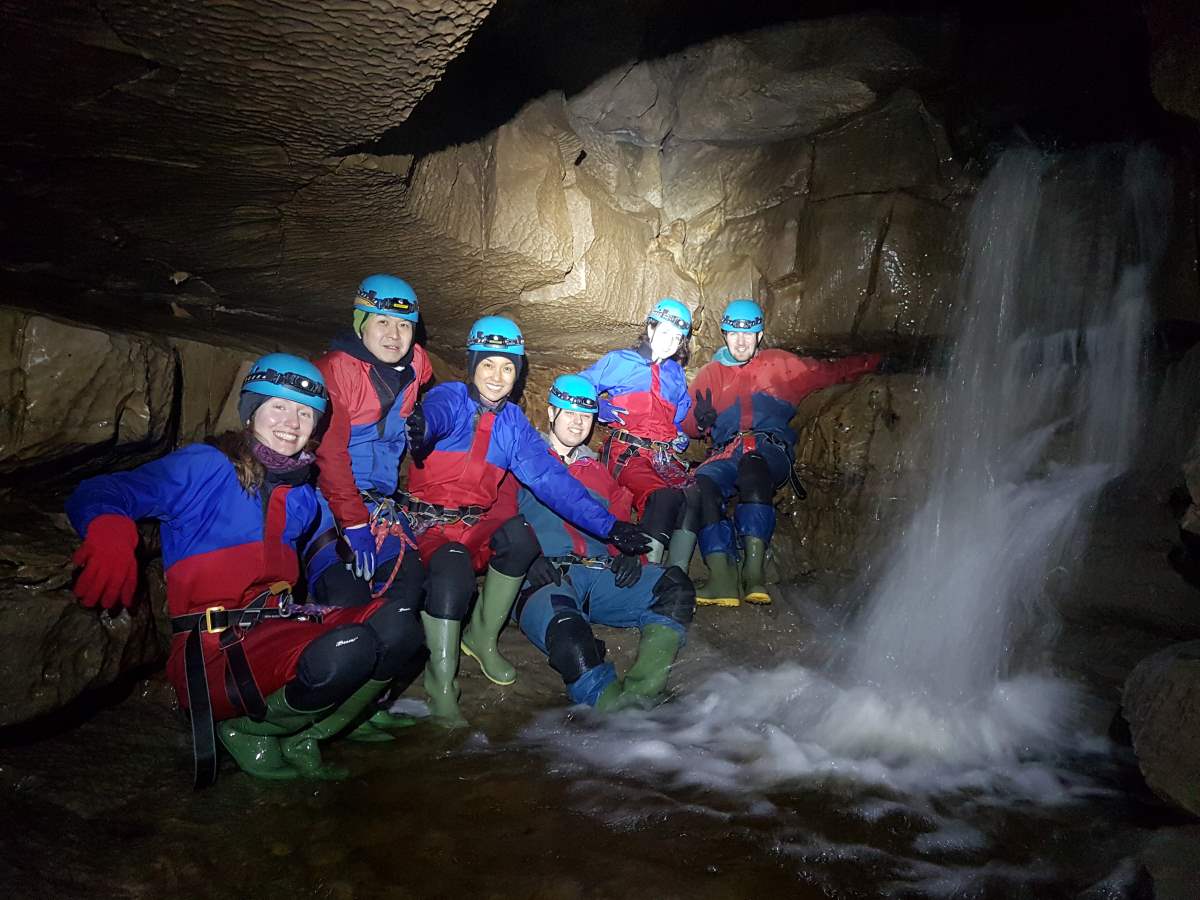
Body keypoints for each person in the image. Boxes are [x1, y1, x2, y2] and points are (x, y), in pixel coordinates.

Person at [66, 354, 425, 786]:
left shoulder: (299, 493)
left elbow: (321, 546)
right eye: (278, 406)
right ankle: (249, 731)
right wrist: (109, 530)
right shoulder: (206, 466)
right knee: (349, 647)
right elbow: (102, 490)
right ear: (251, 412)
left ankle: (306, 736)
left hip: (279, 629)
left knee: (400, 623)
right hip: (215, 650)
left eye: (305, 413)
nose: (291, 422)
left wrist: (345, 573)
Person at [404, 316, 651, 727]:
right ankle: (441, 686)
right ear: (472, 365)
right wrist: (424, 426)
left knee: (520, 537)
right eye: (488, 365)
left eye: (507, 367)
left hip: (476, 525)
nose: (496, 376)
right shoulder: (451, 397)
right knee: (451, 570)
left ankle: (481, 638)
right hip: (430, 525)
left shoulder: (514, 423)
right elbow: (439, 412)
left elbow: (552, 482)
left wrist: (609, 527)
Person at [681, 299, 883, 606]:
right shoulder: (711, 374)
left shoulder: (781, 365)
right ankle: (721, 576)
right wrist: (698, 420)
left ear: (760, 335)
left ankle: (753, 573)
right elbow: (687, 425)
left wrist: (877, 362)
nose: (740, 341)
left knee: (753, 467)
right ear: (724, 335)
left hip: (768, 448)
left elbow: (831, 372)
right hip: (727, 451)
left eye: (748, 334)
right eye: (734, 333)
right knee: (701, 485)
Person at [513, 374, 695, 709]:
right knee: (570, 637)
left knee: (674, 585)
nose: (577, 422)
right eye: (569, 412)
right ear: (551, 412)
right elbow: (495, 517)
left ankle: (642, 694)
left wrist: (630, 555)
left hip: (600, 575)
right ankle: (611, 709)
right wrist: (524, 557)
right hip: (549, 577)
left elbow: (621, 525)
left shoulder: (599, 472)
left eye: (585, 416)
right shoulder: (522, 461)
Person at [309, 274, 431, 687]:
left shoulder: (416, 366)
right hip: (329, 503)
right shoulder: (334, 372)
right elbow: (330, 454)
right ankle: (328, 694)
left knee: (406, 601)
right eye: (382, 322)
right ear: (361, 323)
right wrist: (354, 522)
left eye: (404, 325)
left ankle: (373, 699)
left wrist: (423, 425)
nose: (394, 335)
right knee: (348, 605)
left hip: (381, 504)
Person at [579, 298, 694, 567]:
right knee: (662, 497)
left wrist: (680, 434)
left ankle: (675, 573)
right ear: (651, 328)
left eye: (677, 338)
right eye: (664, 332)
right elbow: (578, 385)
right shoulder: (620, 361)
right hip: (627, 453)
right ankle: (648, 572)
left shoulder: (676, 374)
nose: (669, 342)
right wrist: (596, 406)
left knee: (694, 498)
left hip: (663, 457)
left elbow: (678, 416)